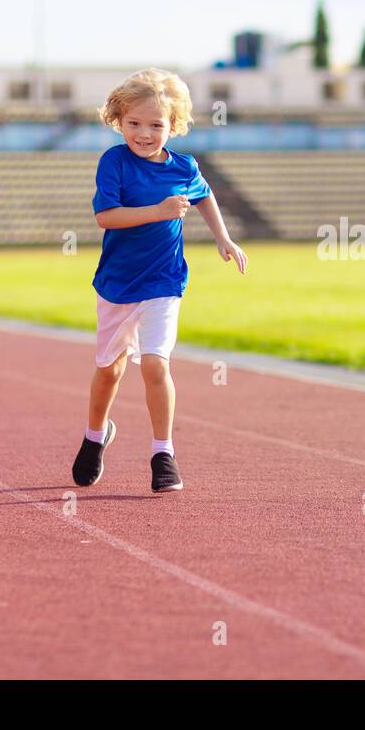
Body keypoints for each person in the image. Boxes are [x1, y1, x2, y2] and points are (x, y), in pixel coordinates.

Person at [71, 68, 247, 492]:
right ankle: (96, 437)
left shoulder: (184, 166)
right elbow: (105, 217)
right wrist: (159, 211)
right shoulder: (114, 162)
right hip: (117, 284)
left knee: (155, 363)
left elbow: (205, 195)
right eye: (134, 124)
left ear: (175, 125)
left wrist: (222, 237)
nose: (144, 134)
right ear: (118, 120)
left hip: (165, 282)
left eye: (156, 125)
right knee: (110, 371)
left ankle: (163, 454)